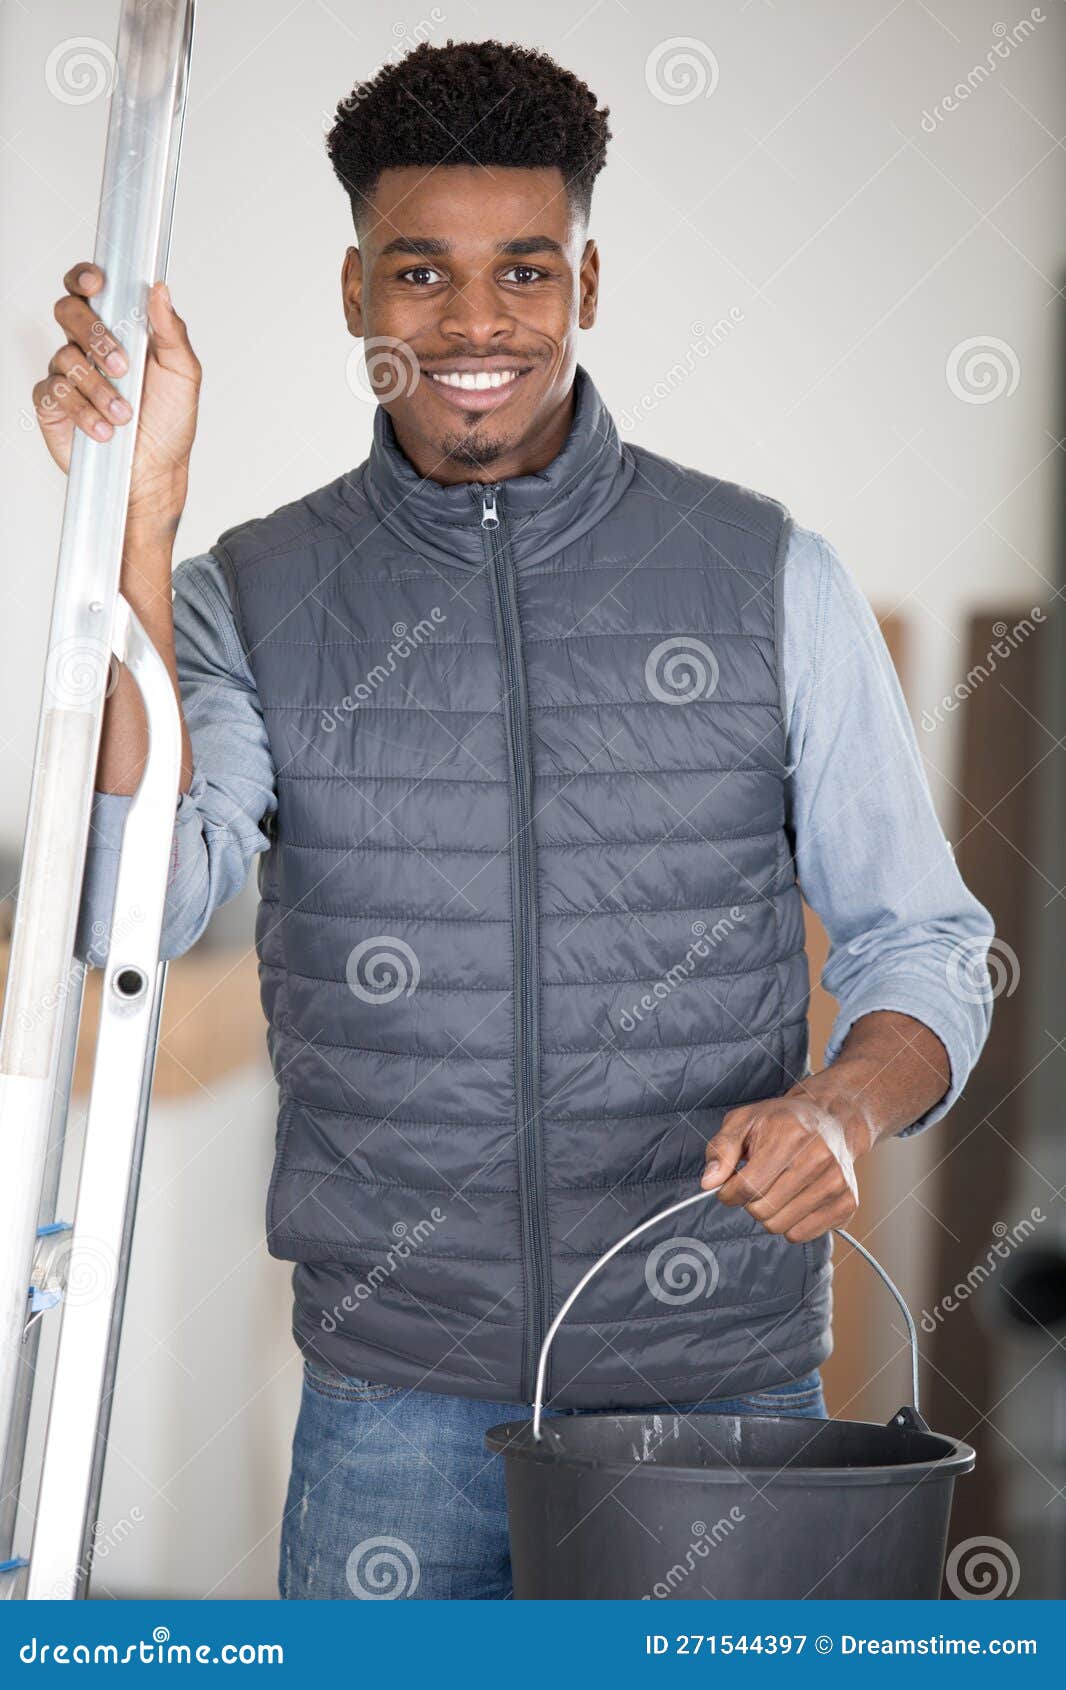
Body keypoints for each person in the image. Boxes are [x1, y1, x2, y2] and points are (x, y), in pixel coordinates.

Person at [35, 39, 993, 1600]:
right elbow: (132, 907)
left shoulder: (762, 576)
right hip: (397, 1403)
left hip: (718, 1395)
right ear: (356, 294)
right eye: (419, 272)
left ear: (586, 282)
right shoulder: (246, 598)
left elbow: (926, 942)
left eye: (523, 272)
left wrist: (844, 1103)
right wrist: (139, 516)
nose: (474, 322)